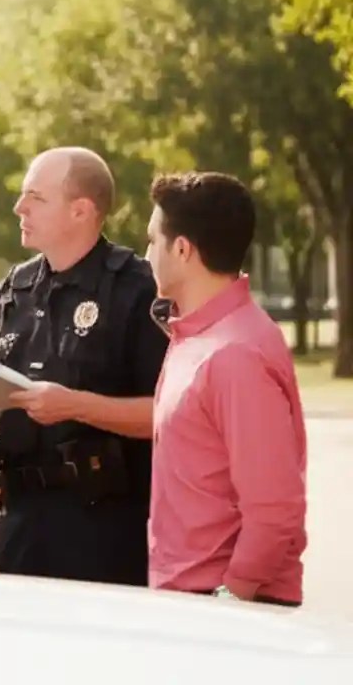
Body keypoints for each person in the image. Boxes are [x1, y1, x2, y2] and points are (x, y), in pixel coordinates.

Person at [0, 146, 169, 586]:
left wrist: (74, 406)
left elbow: (167, 416)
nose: (18, 207)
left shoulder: (136, 291)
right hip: (20, 520)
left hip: (107, 527)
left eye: (35, 198)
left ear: (81, 211)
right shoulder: (13, 291)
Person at [143, 171, 307, 606]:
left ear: (181, 249)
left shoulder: (235, 353)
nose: (147, 254)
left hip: (227, 608)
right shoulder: (195, 337)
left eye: (152, 241)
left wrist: (233, 596)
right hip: (190, 598)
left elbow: (275, 508)